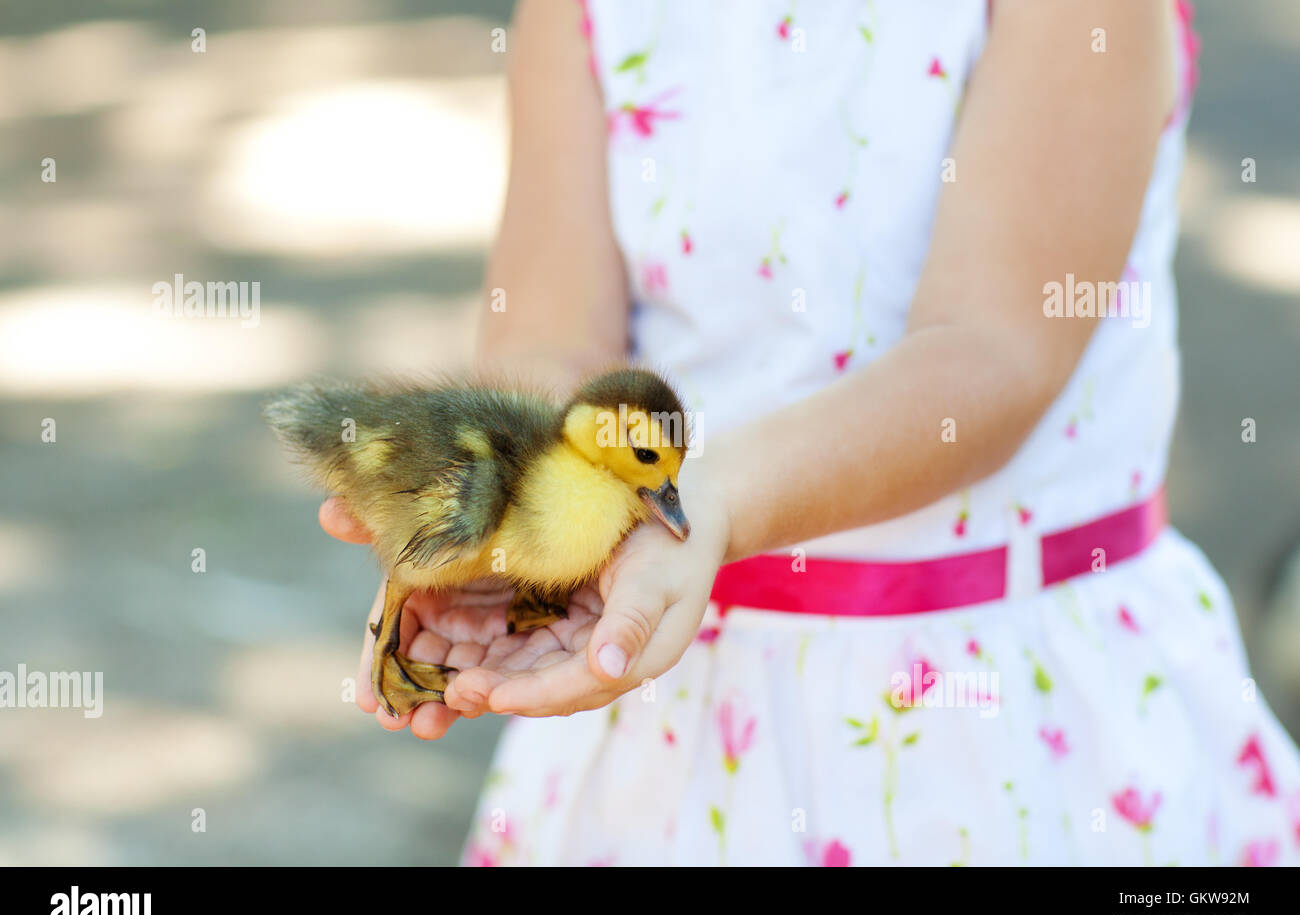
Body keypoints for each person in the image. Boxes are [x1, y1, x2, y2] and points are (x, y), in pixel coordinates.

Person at [321, 0, 1300, 865]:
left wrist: (705, 505)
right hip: (668, 701)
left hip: (999, 711)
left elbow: (993, 347)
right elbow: (546, 334)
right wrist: (510, 512)